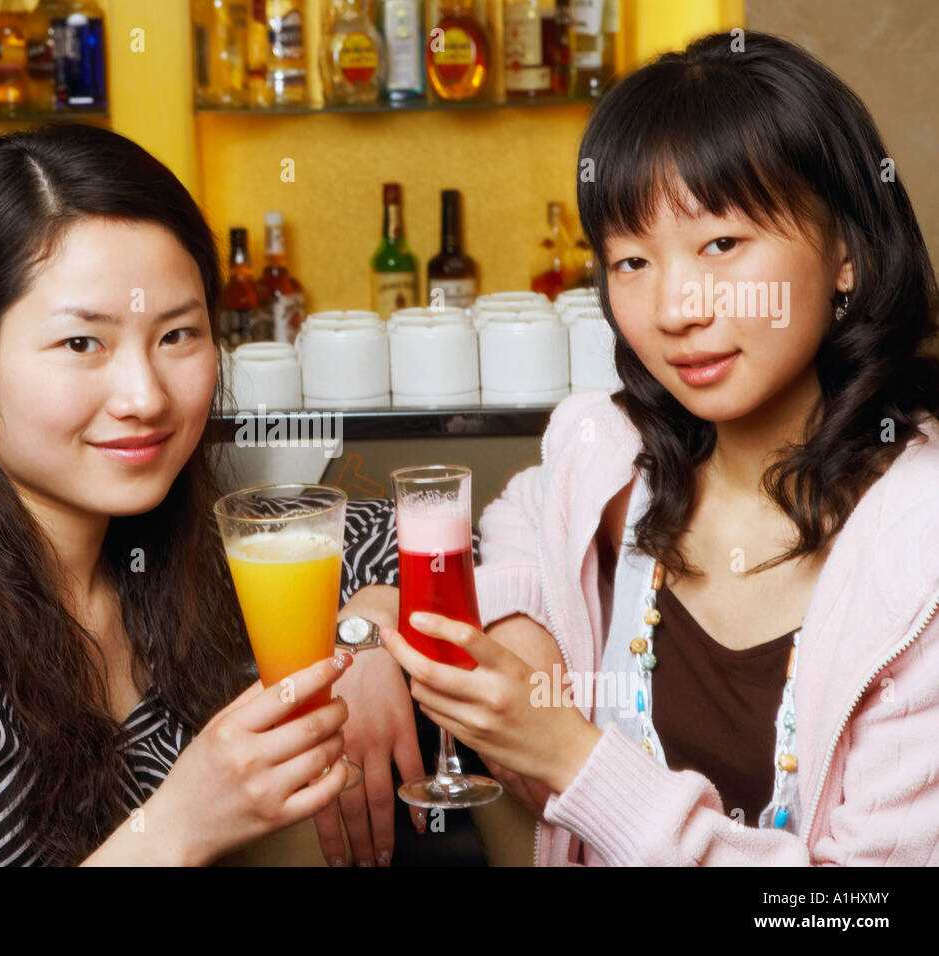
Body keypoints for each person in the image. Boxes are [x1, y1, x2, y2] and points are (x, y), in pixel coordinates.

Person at [0, 123, 410, 866]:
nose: (144, 396)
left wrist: (366, 631)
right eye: (82, 343)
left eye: (177, 336)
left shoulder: (197, 545)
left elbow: (451, 540)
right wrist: (180, 827)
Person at [373, 30, 939, 864]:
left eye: (721, 244)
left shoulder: (918, 551)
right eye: (632, 260)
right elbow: (524, 513)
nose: (676, 308)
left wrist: (570, 755)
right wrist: (521, 626)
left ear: (846, 252)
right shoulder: (612, 455)